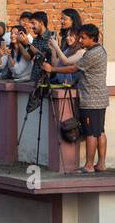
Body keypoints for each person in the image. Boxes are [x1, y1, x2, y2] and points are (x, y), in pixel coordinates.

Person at [43, 24, 108, 172]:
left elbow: (73, 68)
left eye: (83, 38)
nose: (80, 40)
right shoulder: (100, 50)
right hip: (100, 97)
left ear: (93, 38)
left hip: (91, 99)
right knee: (100, 131)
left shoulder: (91, 54)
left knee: (91, 133)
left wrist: (52, 69)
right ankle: (101, 164)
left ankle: (89, 165)